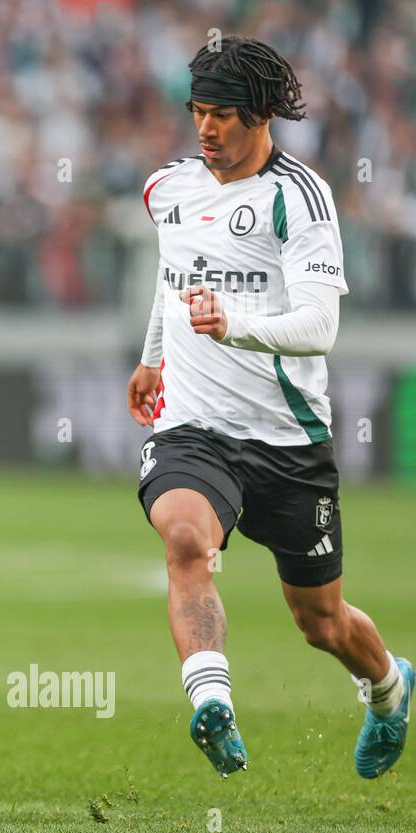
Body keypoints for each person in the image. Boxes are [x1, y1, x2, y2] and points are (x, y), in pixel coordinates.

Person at [127, 37, 409, 779]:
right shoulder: (169, 188)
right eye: (197, 112)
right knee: (185, 538)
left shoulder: (299, 197)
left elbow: (320, 327)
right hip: (193, 427)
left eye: (221, 114)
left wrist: (234, 324)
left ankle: (389, 688)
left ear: (260, 117)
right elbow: (172, 274)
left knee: (321, 622)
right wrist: (153, 356)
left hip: (287, 438)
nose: (205, 128)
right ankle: (211, 701)